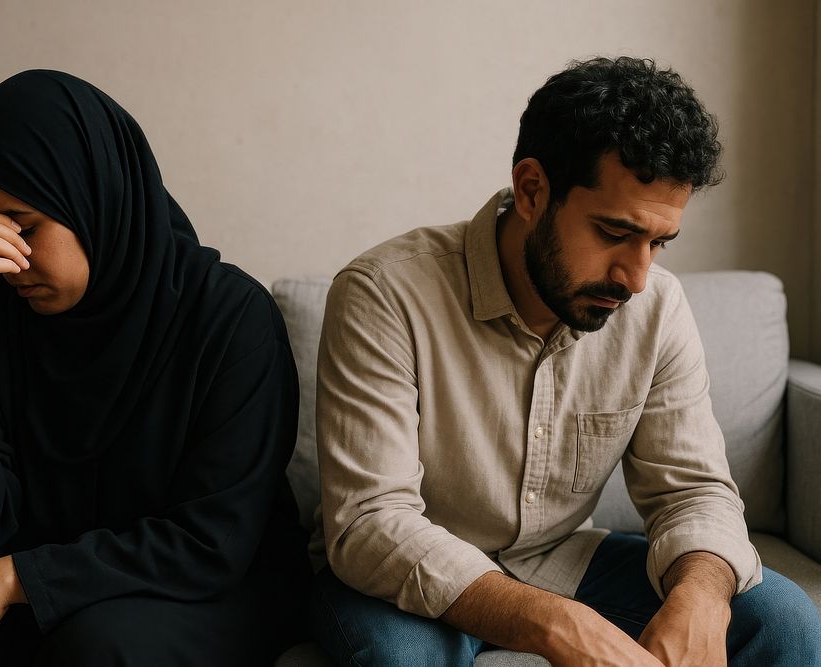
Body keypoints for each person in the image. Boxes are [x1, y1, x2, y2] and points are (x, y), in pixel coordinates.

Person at [310, 56, 821, 666]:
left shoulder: (655, 307)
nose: (636, 278)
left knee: (785, 622)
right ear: (532, 190)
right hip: (408, 576)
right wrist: (556, 624)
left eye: (658, 242)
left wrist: (702, 600)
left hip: (560, 558)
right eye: (613, 233)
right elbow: (371, 522)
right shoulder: (384, 293)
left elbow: (693, 489)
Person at [0, 69, 309, 666]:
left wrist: (12, 579)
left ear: (94, 198)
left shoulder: (231, 318)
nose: (6, 259)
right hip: (54, 573)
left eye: (24, 226)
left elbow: (210, 543)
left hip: (203, 586)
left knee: (100, 646)